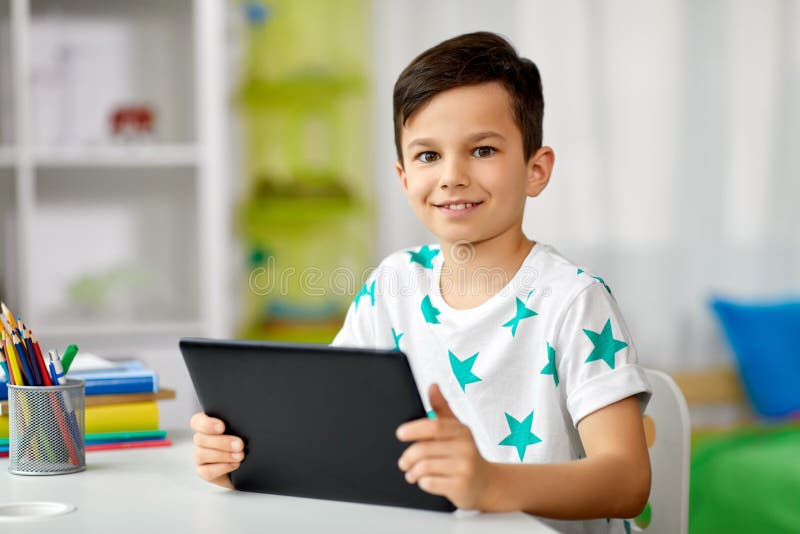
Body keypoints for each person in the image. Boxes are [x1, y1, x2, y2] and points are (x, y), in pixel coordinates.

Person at [191, 31, 652, 534]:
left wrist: (490, 483)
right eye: (428, 156)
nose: (452, 176)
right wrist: (244, 461)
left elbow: (627, 482)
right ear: (404, 176)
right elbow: (329, 432)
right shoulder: (391, 287)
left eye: (482, 150)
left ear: (535, 170)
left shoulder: (573, 301)